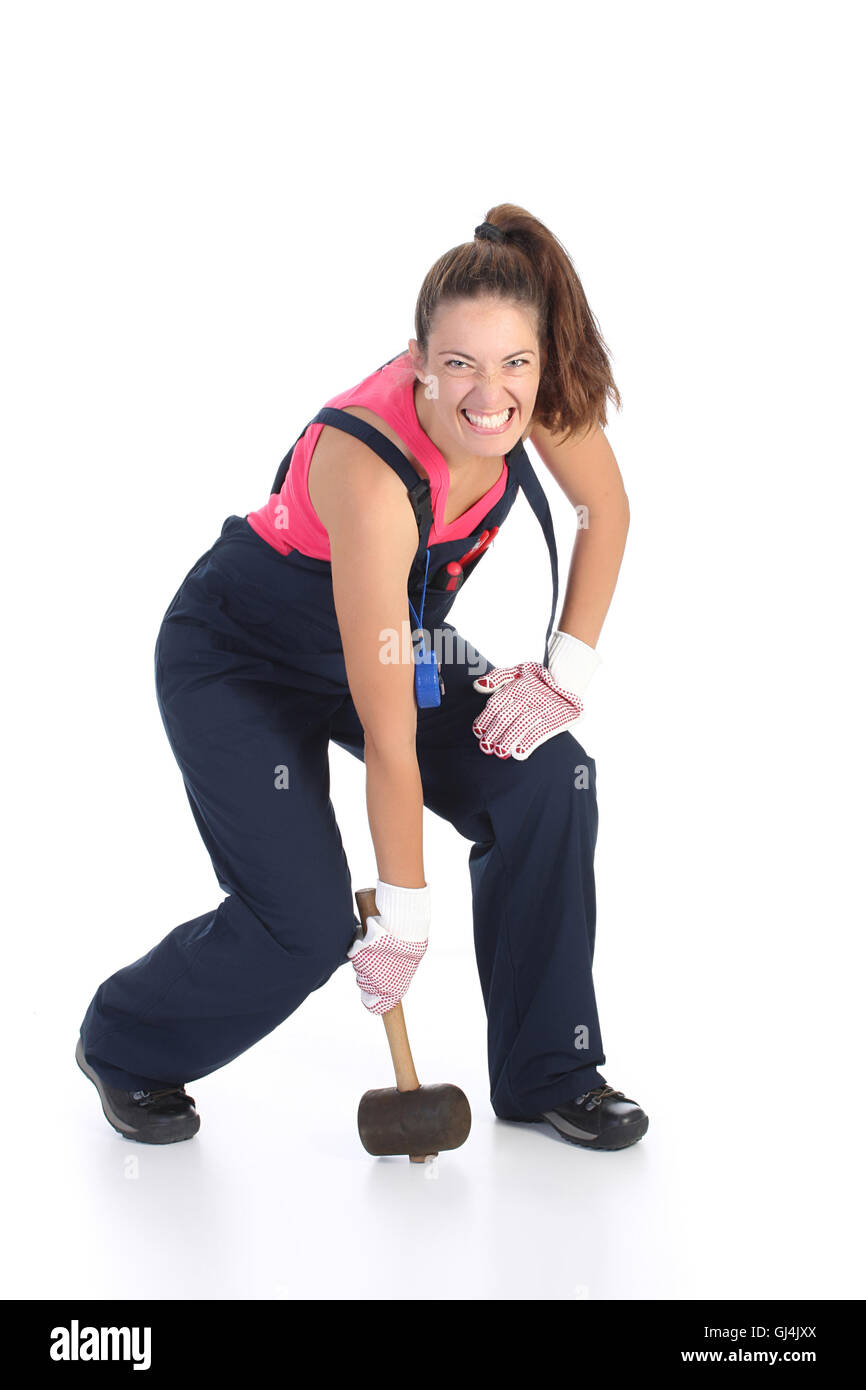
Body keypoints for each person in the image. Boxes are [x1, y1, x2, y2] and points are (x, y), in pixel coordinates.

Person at [76, 204, 648, 1152]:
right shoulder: (373, 474)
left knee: (551, 776)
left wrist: (564, 671)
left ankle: (552, 1068)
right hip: (243, 658)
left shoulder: (520, 388)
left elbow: (605, 504)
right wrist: (404, 914)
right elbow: (391, 735)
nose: (490, 395)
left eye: (514, 365)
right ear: (418, 358)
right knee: (304, 923)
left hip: (396, 634)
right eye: (460, 365)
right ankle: (127, 1042)